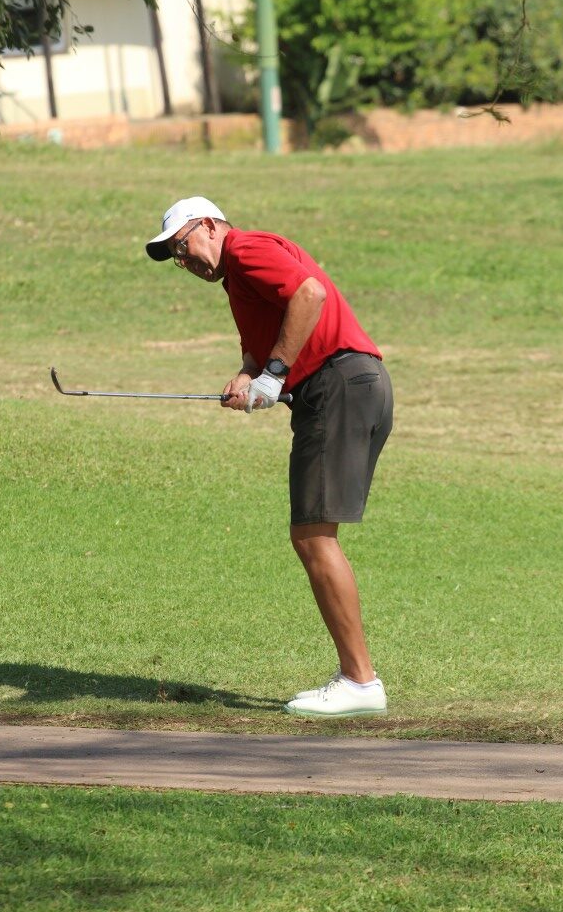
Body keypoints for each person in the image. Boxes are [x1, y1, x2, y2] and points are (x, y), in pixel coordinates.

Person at [146, 197, 393, 718]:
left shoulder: (247, 249)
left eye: (184, 246)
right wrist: (249, 372)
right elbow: (270, 331)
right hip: (347, 385)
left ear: (210, 226)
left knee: (312, 535)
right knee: (312, 534)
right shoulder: (238, 278)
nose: (184, 262)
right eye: (175, 258)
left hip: (337, 385)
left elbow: (309, 293)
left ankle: (360, 680)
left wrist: (273, 375)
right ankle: (358, 678)